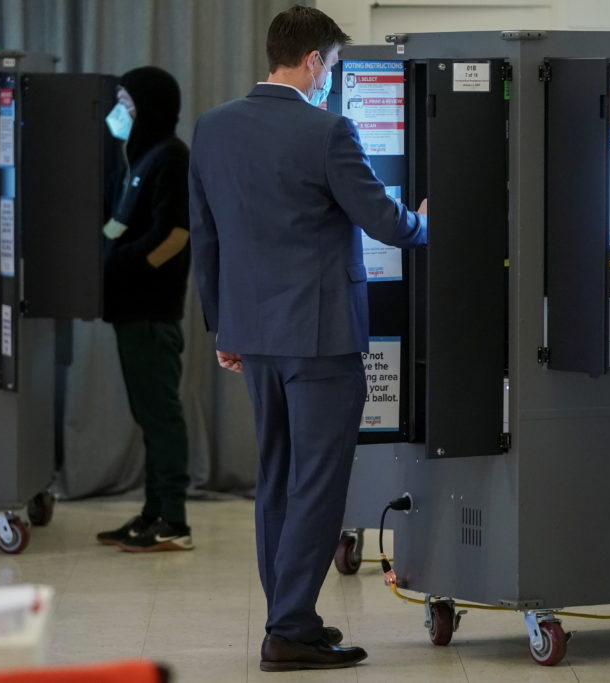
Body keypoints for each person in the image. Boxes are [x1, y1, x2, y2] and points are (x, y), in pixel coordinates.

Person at [188, 5, 427, 673]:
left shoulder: (212, 129)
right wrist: (426, 221)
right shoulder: (327, 130)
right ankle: (289, 627)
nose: (332, 78)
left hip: (253, 334)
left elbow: (205, 237)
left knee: (278, 478)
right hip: (320, 339)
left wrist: (224, 326)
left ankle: (289, 616)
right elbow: (384, 220)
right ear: (316, 62)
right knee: (317, 484)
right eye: (334, 65)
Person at [94, 66, 194, 553]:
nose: (120, 111)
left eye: (126, 102)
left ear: (149, 106)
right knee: (147, 414)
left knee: (160, 415)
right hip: (130, 309)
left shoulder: (171, 157)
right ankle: (153, 512)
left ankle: (174, 518)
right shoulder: (138, 159)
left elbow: (175, 234)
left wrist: (129, 269)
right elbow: (118, 228)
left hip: (153, 312)